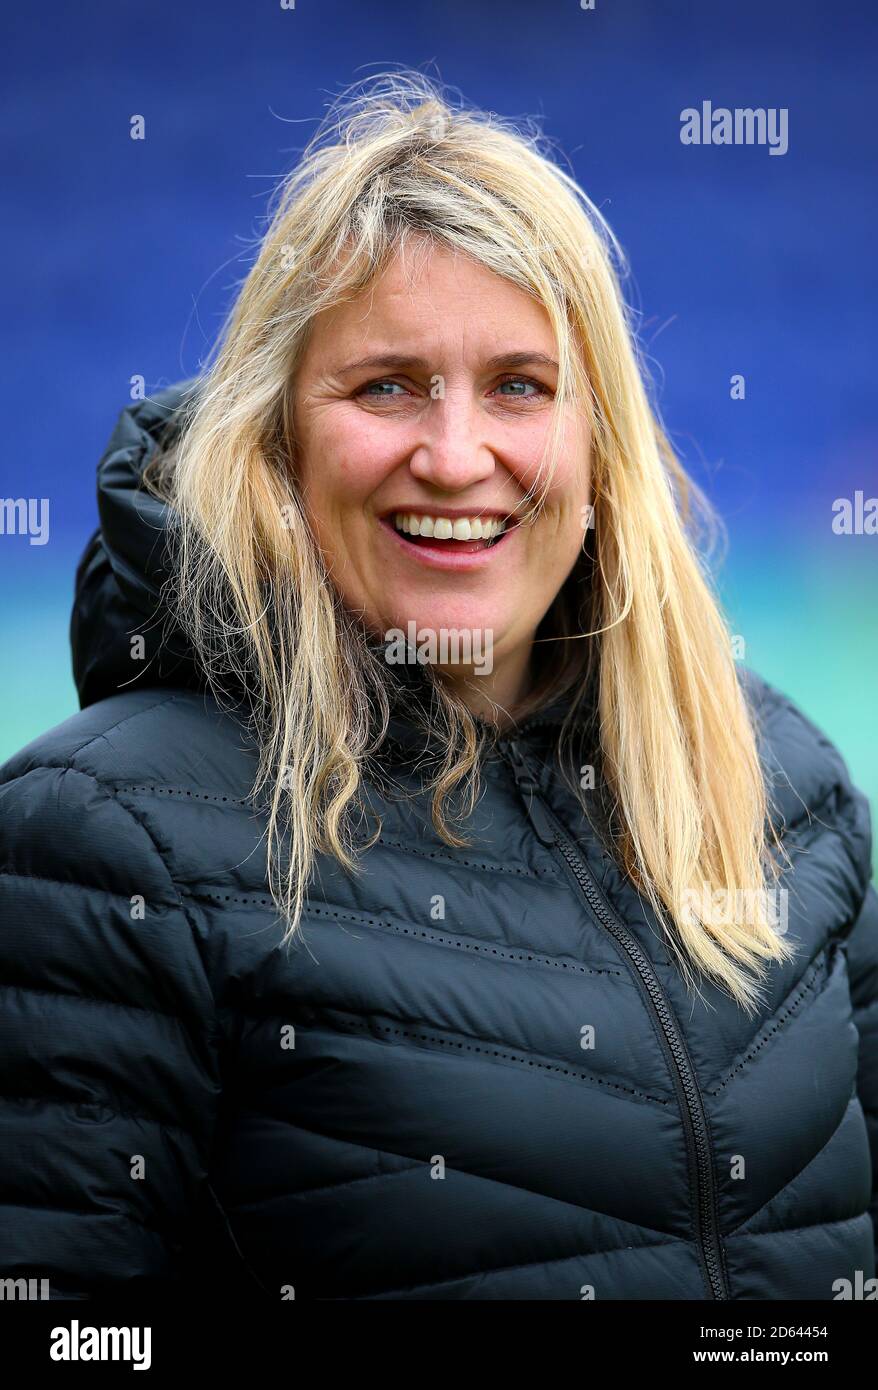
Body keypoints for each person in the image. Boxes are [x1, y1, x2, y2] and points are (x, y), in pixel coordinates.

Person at [0, 71, 875, 1302]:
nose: (456, 457)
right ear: (276, 440)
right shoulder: (96, 842)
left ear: (599, 445)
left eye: (520, 384)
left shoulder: (780, 786)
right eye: (386, 385)